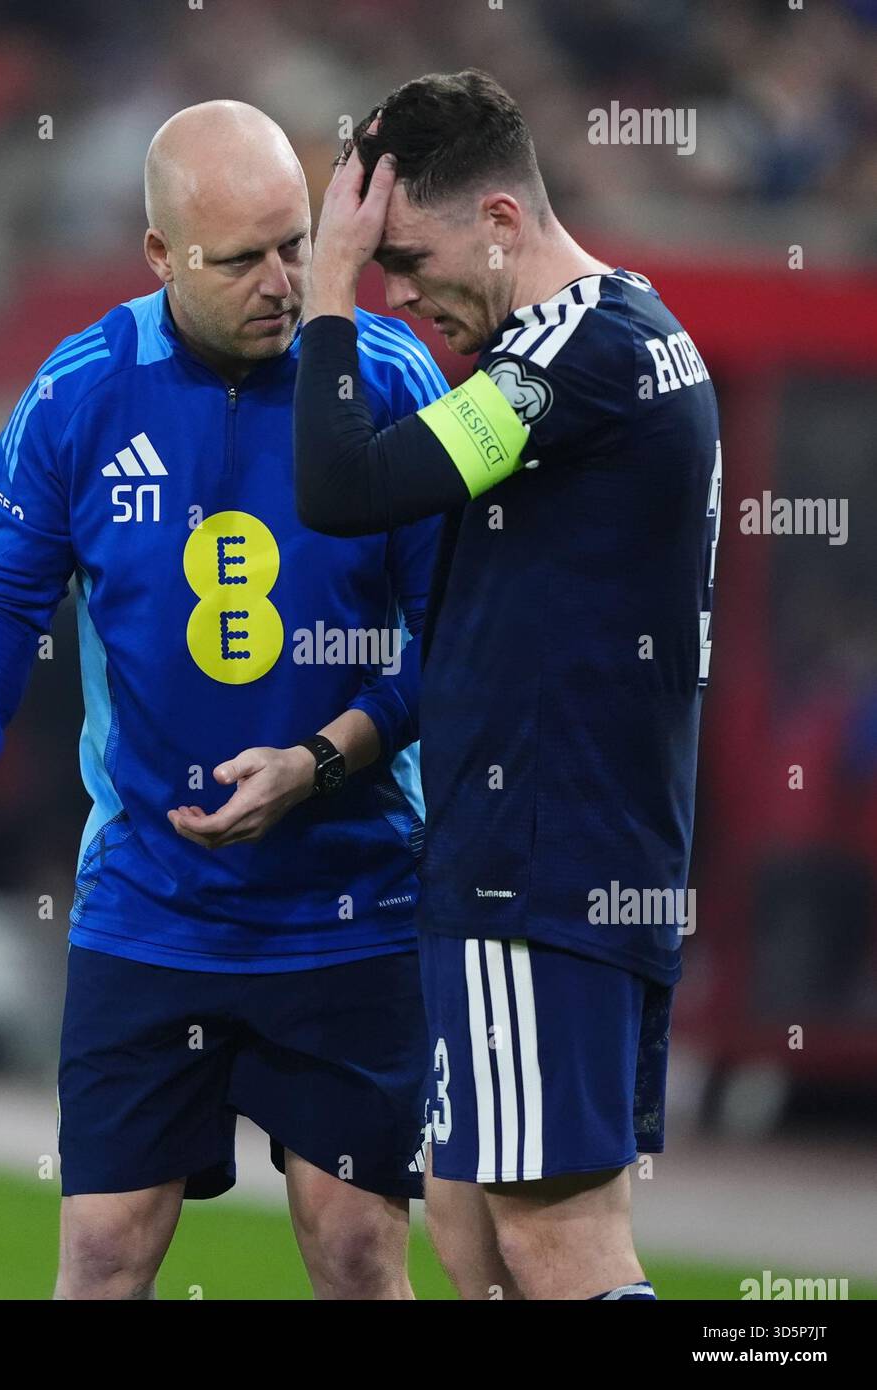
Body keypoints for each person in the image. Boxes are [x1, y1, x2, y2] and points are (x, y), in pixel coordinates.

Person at [0, 100, 449, 1300]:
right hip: (150, 904)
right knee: (99, 1257)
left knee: (354, 1253)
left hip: (347, 905)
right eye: (241, 259)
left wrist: (323, 765)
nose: (283, 283)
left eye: (296, 243)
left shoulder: (387, 378)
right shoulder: (82, 391)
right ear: (158, 256)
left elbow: (451, 643)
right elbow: (5, 588)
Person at [294, 69, 722, 1301]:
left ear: (497, 219)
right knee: (475, 1240)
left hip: (535, 863)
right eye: (374, 273)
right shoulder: (625, 332)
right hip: (572, 846)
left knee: (553, 1247)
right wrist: (333, 754)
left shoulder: (562, 363)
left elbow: (342, 487)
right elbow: (492, 627)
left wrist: (324, 292)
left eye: (406, 257)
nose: (397, 293)